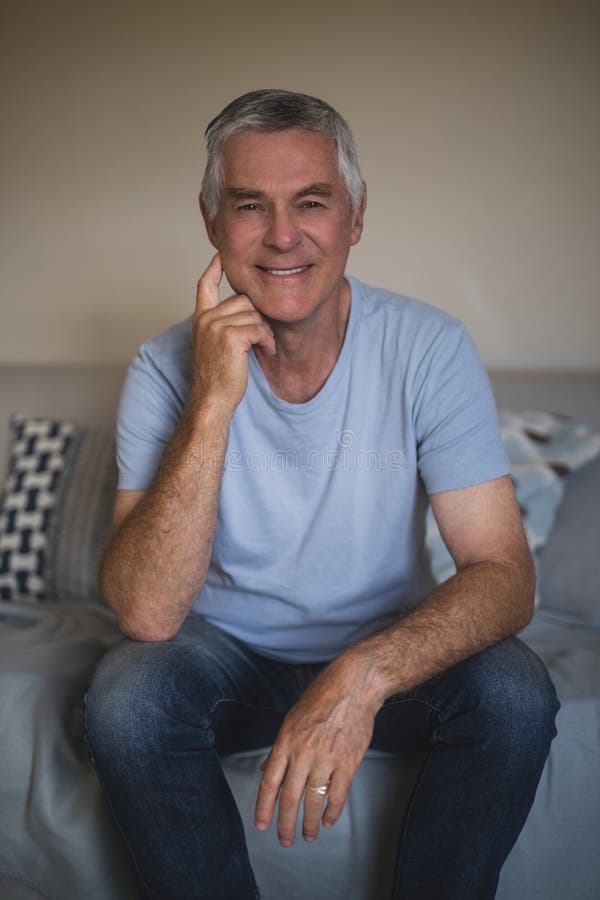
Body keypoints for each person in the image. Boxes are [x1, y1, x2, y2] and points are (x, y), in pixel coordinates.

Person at [85, 89, 559, 900]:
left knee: (514, 692)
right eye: (249, 206)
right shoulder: (163, 367)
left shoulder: (430, 348)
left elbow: (505, 574)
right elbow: (147, 615)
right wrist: (212, 402)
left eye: (311, 202)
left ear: (355, 217)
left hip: (385, 644)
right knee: (127, 700)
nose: (281, 235)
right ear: (211, 222)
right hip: (226, 655)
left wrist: (363, 675)